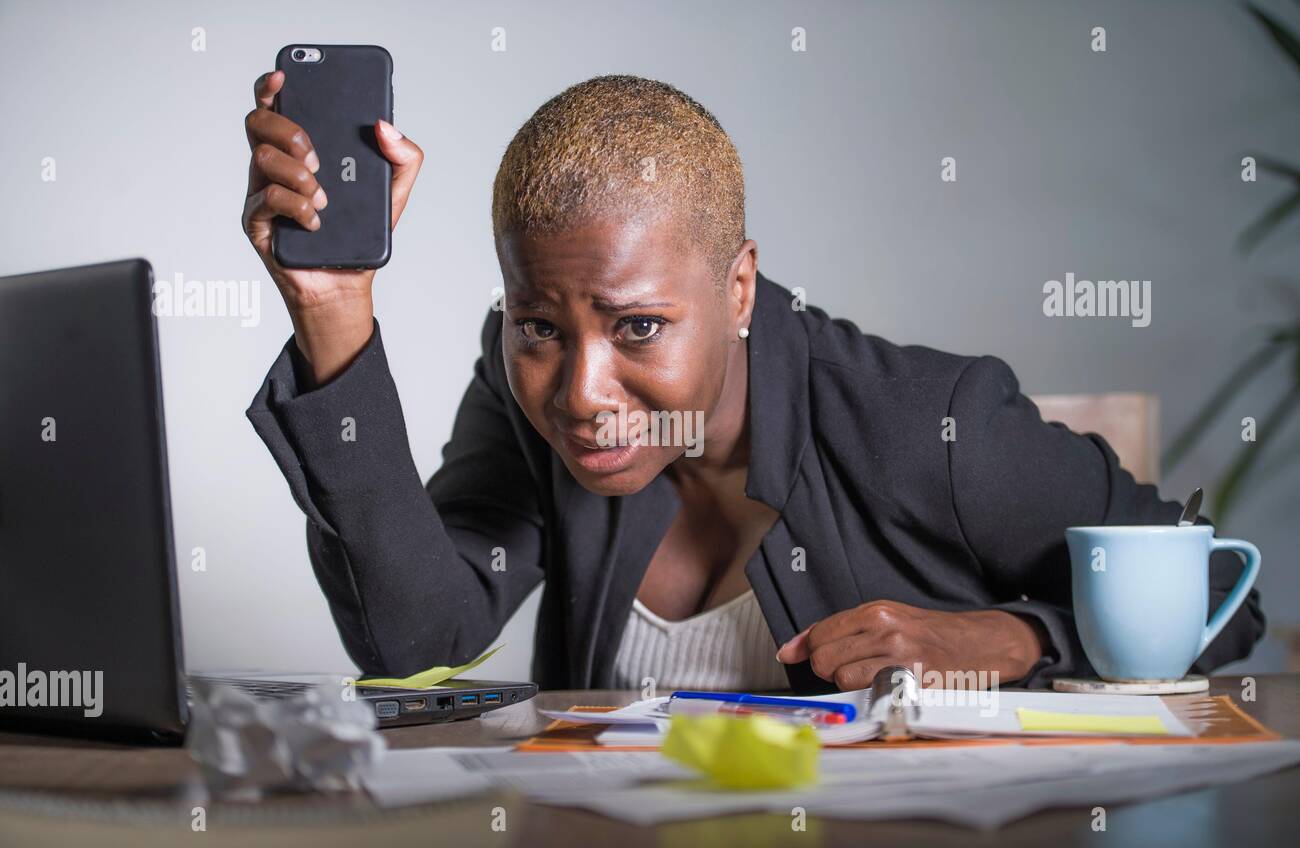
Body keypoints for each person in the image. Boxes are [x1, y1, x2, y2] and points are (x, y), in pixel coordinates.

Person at [241, 72, 1264, 692]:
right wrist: (333, 314)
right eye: (539, 326)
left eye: (639, 325)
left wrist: (1011, 635)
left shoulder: (931, 423)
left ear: (737, 287)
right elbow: (418, 637)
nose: (582, 393)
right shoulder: (526, 395)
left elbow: (1220, 592)